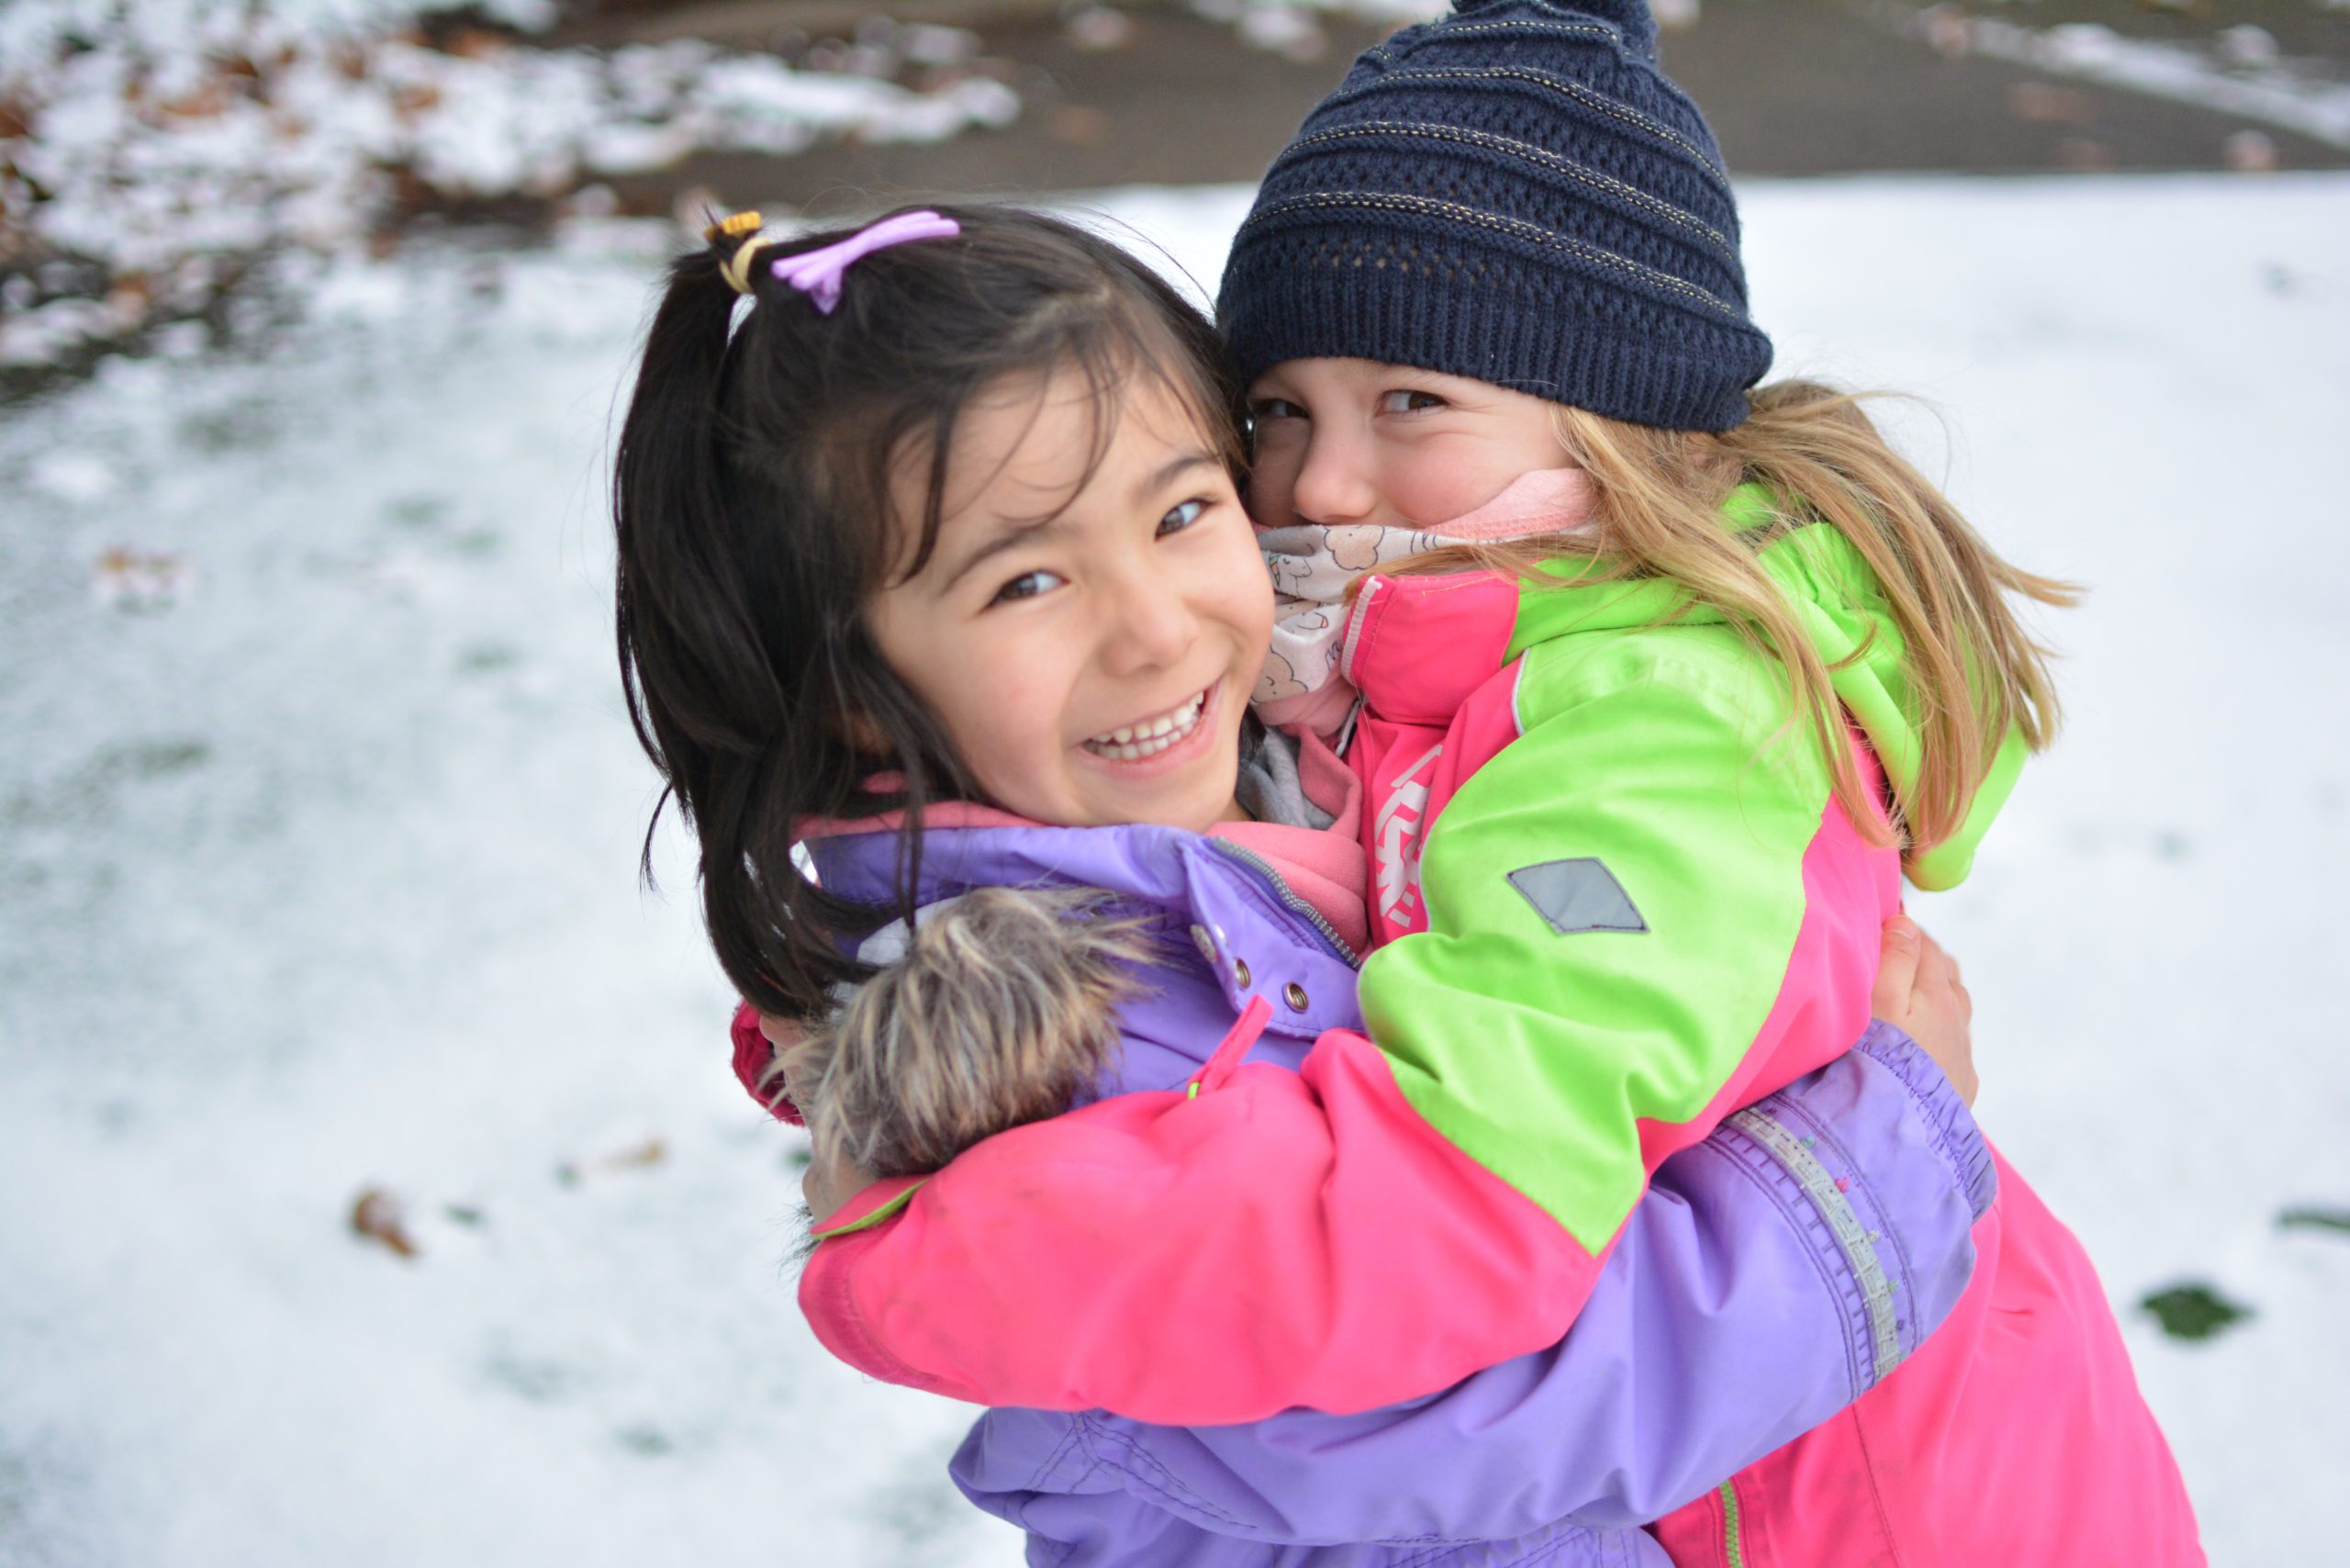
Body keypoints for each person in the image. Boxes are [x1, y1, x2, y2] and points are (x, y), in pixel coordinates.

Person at [745, 4, 2205, 1563]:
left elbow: (1468, 1180)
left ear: (1616, 421)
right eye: (1278, 411)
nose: (1317, 481)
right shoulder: (1421, 663)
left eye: (1412, 405)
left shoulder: (1660, 729)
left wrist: (968, 1258)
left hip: (1873, 1504)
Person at [613, 201, 1998, 1567]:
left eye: (1181, 510)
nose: (1159, 629)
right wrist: (1878, 1168)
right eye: (1026, 583)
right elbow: (1508, 1411)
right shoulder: (1073, 1059)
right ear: (848, 689)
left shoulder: (1280, 806)